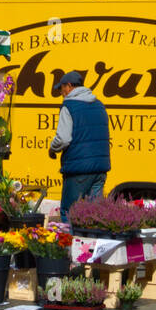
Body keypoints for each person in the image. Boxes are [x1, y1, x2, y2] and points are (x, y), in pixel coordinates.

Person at [48, 70, 111, 220]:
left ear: (69, 86)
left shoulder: (69, 106)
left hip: (78, 169)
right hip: (100, 168)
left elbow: (63, 139)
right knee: (96, 214)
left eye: (62, 88)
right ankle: (92, 242)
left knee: (69, 212)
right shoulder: (99, 105)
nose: (61, 93)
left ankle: (70, 243)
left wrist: (52, 148)